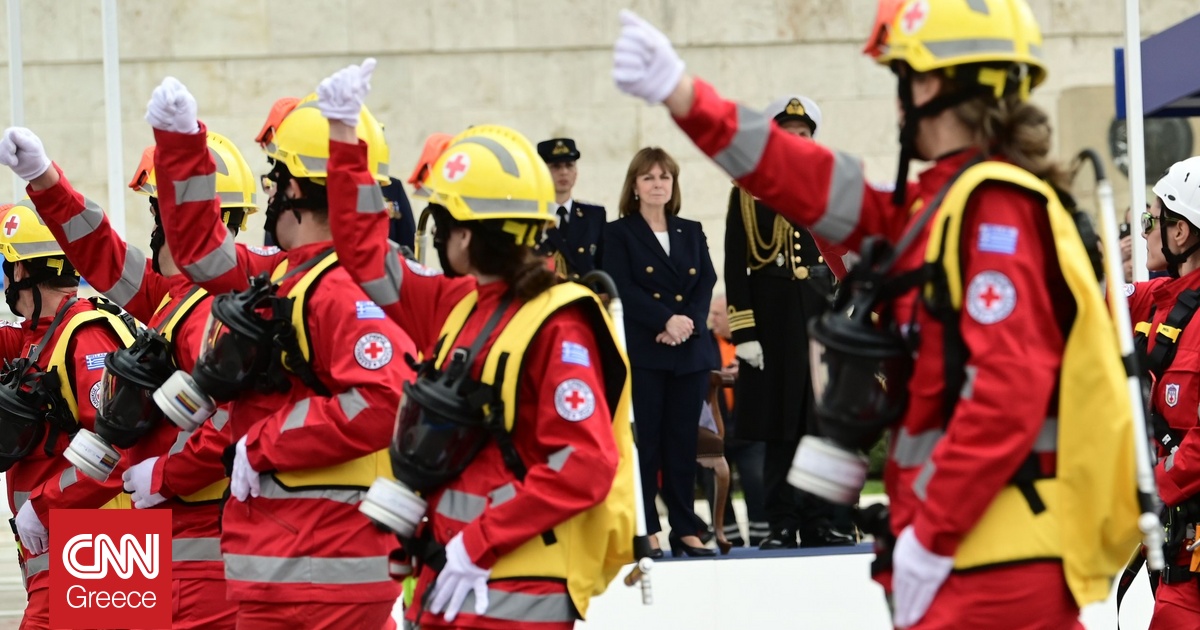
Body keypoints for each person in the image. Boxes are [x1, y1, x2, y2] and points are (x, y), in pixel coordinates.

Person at [612, 0, 1139, 627]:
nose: (897, 102)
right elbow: (798, 173)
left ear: (935, 86)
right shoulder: (942, 202)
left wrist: (932, 539)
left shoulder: (996, 214)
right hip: (968, 550)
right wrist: (684, 95)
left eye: (902, 79)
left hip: (993, 562)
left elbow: (1005, 397)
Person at [139, 73, 412, 628]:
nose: (268, 195)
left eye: (274, 180)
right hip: (279, 567)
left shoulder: (350, 285)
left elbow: (383, 401)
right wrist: (180, 145)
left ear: (295, 190)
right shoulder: (290, 275)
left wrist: (262, 442)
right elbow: (201, 253)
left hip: (329, 569)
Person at [0, 127, 257, 628]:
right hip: (176, 558)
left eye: (159, 211)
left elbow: (227, 425)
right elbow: (101, 251)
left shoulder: (209, 312)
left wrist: (161, 474)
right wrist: (44, 179)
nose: (154, 226)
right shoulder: (174, 299)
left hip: (195, 563)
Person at [723, 94, 854, 550]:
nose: (797, 140)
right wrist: (745, 333)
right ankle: (781, 522)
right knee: (780, 430)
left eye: (803, 134)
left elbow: (849, 262)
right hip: (773, 324)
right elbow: (736, 267)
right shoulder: (749, 193)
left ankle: (819, 520)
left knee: (819, 428)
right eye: (788, 134)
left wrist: (848, 318)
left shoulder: (828, 192)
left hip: (819, 319)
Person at [0, 195, 135, 626]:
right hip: (67, 551)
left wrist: (43, 506)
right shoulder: (37, 336)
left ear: (20, 271)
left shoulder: (85, 336)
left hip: (98, 548)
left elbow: (120, 449)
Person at [602, 146, 717, 557]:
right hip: (646, 352)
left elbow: (705, 281)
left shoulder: (691, 230)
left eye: (664, 177)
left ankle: (685, 528)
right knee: (646, 445)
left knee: (682, 444)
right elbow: (621, 285)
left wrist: (686, 323)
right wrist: (665, 320)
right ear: (634, 186)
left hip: (688, 352)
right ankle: (647, 528)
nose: (657, 184)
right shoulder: (618, 233)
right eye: (648, 177)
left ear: (673, 184)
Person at [1126, 157, 1200, 628]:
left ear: (1180, 232)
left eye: (1151, 220)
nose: (1144, 231)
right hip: (1175, 563)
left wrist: (1152, 487)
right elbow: (1080, 298)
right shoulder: (1158, 301)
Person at [704, 294, 768, 548]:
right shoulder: (705, 342)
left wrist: (746, 373)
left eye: (717, 314)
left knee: (757, 481)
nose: (712, 319)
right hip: (715, 430)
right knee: (715, 486)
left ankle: (762, 535)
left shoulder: (752, 343)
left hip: (749, 429)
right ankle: (727, 536)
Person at [535, 138, 606, 280]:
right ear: (541, 172)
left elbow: (604, 265)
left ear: (576, 172)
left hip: (587, 292)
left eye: (569, 165)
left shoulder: (594, 216)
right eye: (555, 166)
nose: (564, 172)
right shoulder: (533, 218)